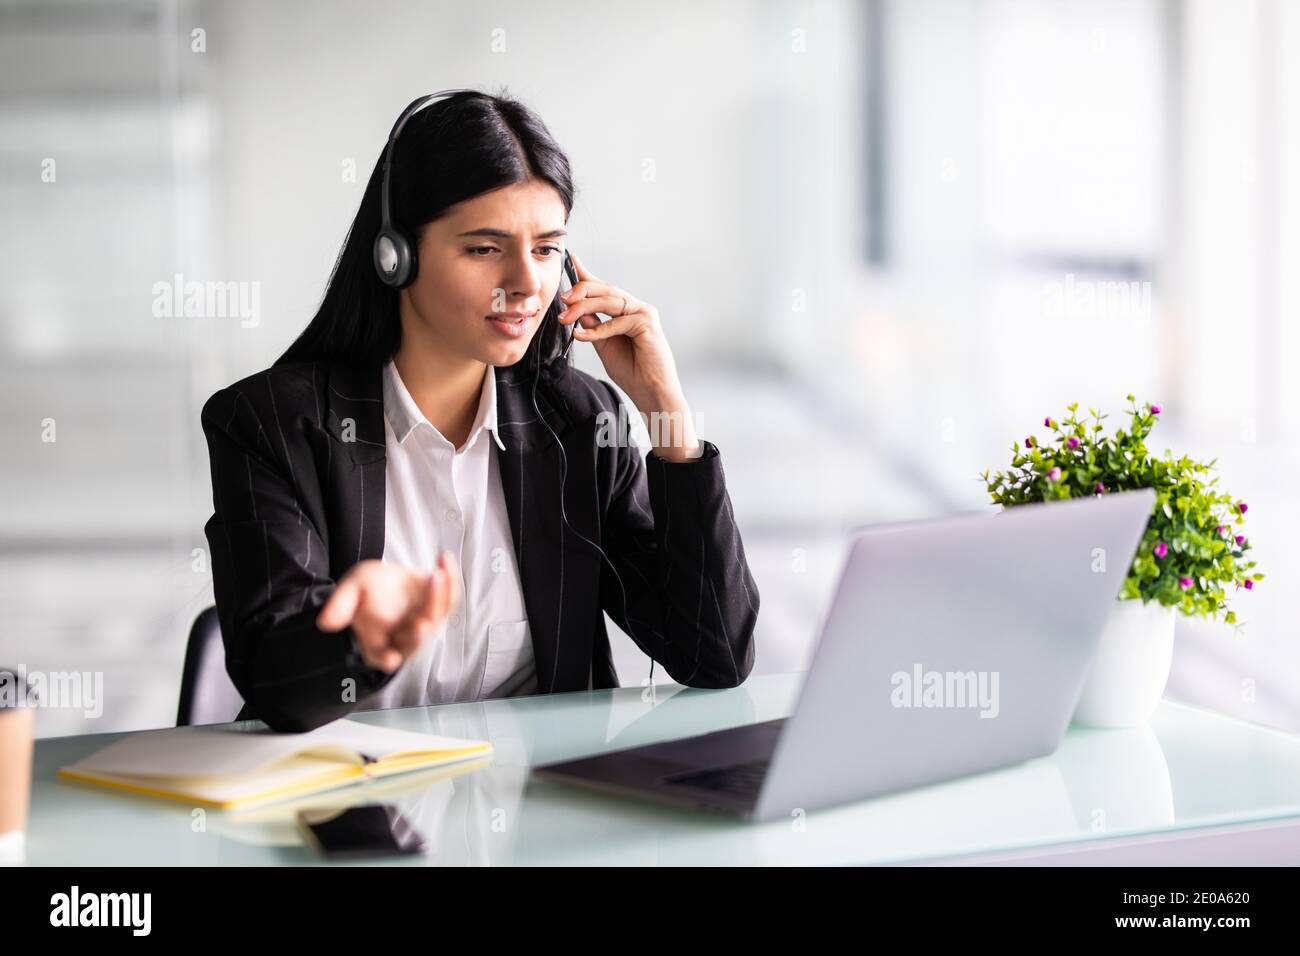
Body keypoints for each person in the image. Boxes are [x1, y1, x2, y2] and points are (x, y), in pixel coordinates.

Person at [199, 88, 759, 733]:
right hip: (354, 811)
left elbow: (713, 653)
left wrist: (667, 414)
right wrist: (362, 640)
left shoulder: (579, 422)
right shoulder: (272, 424)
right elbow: (277, 685)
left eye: (547, 249)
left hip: (542, 814)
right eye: (485, 249)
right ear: (395, 256)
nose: (526, 283)